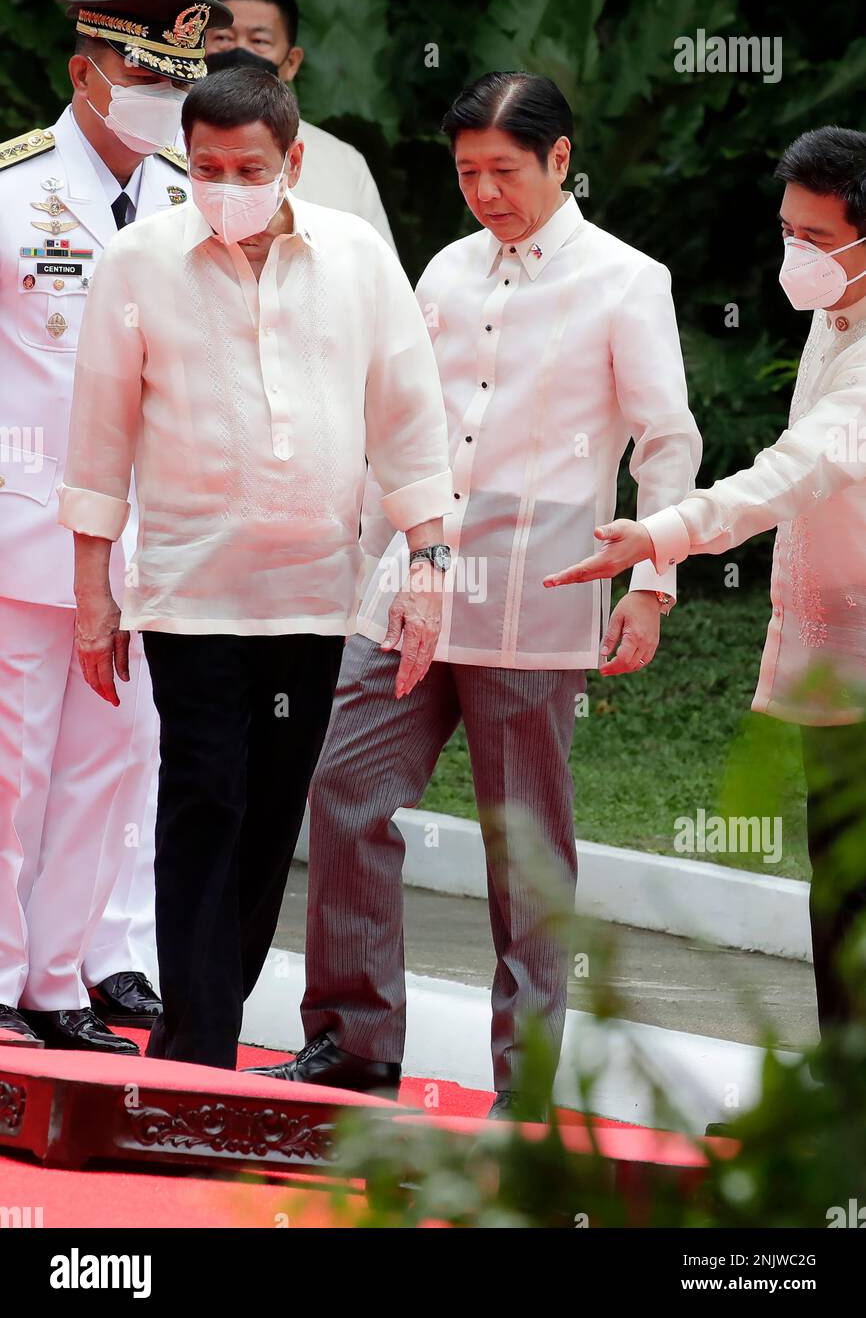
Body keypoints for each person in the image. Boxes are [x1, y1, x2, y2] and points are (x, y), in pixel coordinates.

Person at [249, 72, 702, 1119]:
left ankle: (529, 1084)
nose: (485, 192)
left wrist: (652, 583)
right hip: (415, 575)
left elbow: (667, 440)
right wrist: (366, 561)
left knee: (524, 842)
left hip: (542, 582)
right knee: (343, 787)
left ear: (559, 157)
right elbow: (400, 424)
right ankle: (353, 1041)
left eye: (504, 169)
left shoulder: (625, 281)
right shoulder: (445, 270)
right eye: (466, 173)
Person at [58, 67, 453, 1070]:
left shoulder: (358, 259)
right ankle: (198, 1046)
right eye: (204, 168)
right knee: (202, 799)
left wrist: (429, 559)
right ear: (179, 160)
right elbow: (99, 433)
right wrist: (92, 591)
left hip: (313, 592)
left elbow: (409, 419)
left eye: (249, 169)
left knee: (270, 812)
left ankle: (206, 1020)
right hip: (190, 592)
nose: (226, 185)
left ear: (293, 163)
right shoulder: (139, 261)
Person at [546, 125, 866, 1043]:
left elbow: (795, 471)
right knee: (840, 888)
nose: (795, 255)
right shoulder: (835, 314)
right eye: (787, 232)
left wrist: (662, 533)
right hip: (832, 662)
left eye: (816, 238)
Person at [0, 0, 231, 1053]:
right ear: (83, 72)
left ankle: (58, 981)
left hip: (153, 546)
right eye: (142, 77)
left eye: (175, 81)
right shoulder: (12, 191)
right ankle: (0, 978)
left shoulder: (195, 199)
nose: (158, 99)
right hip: (23, 532)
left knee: (114, 763)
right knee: (11, 763)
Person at [206, 0, 396, 248]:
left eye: (259, 41)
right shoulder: (159, 145)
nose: (239, 52)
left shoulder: (343, 163)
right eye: (223, 38)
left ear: (291, 62)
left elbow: (379, 277)